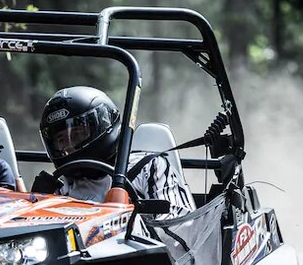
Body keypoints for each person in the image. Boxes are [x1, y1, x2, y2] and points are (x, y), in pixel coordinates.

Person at [37, 86, 194, 216]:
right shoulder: (59, 189)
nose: (69, 147)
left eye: (77, 134)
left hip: (142, 252)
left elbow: (179, 228)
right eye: (62, 140)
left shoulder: (148, 168)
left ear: (103, 127)